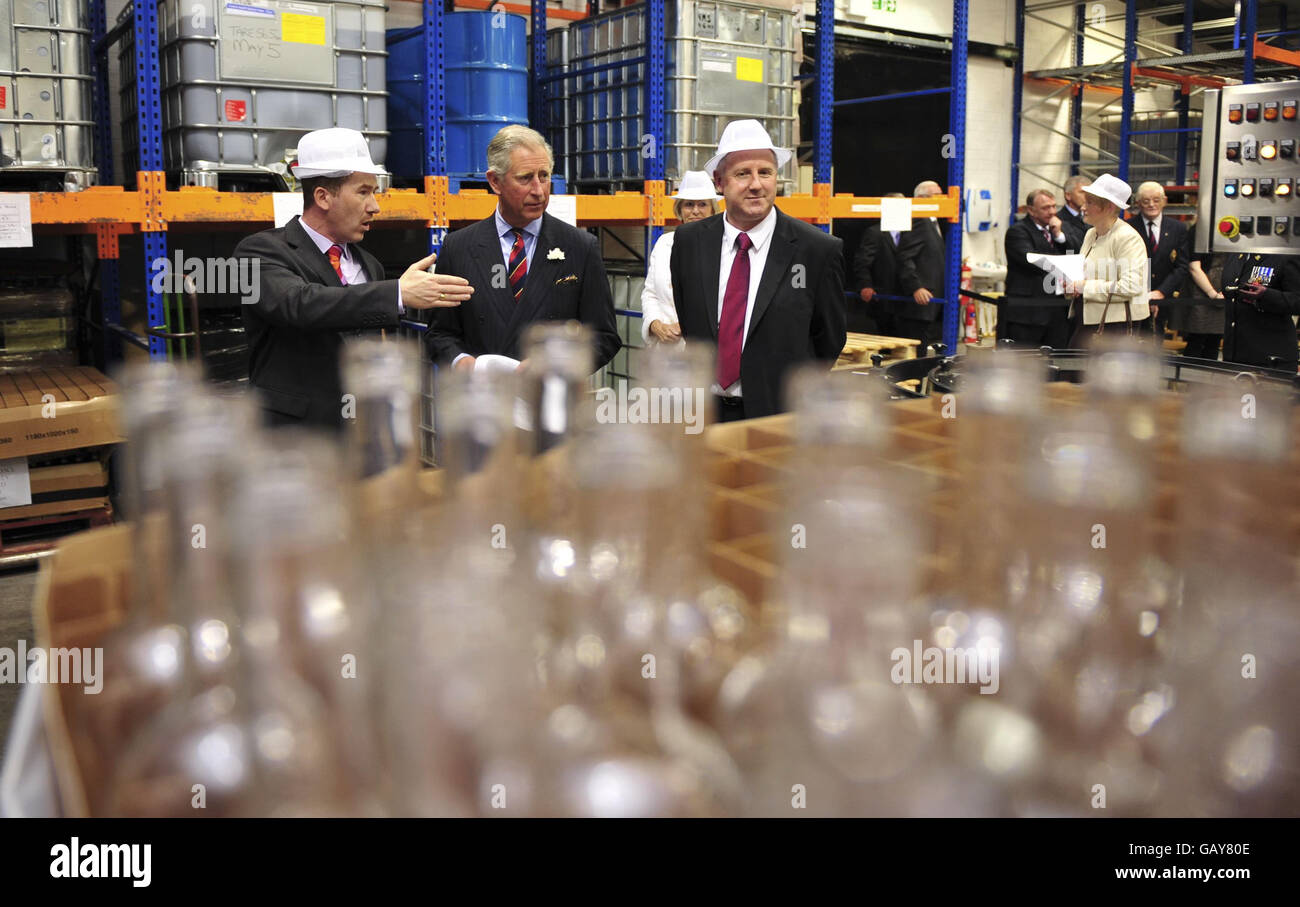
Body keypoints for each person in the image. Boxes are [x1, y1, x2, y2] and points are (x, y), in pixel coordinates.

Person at [236, 127, 471, 429]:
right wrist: (396, 293)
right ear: (322, 197)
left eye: (373, 192)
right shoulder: (259, 252)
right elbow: (299, 304)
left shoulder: (369, 266)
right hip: (293, 440)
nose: (375, 206)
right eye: (363, 192)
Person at [669, 119, 846, 422]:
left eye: (765, 172)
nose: (756, 184)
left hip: (777, 419)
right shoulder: (689, 243)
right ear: (718, 181)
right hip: (701, 414)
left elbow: (828, 340)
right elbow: (692, 324)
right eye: (742, 174)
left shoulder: (816, 250)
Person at [425, 125, 620, 372]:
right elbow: (440, 333)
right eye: (525, 178)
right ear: (495, 182)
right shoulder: (459, 248)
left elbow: (604, 337)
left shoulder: (579, 247)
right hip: (484, 399)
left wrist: (556, 364)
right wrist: (461, 362)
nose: (538, 190)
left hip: (549, 400)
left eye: (544, 176)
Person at [1063, 173, 1150, 343]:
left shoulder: (1127, 237)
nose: (1083, 207)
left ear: (1109, 207)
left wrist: (1085, 287)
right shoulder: (1091, 233)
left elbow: (1130, 286)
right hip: (1088, 320)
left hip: (1114, 327)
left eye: (1090, 202)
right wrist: (1072, 284)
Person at [641, 171, 721, 347]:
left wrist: (688, 325)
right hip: (665, 351)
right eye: (689, 204)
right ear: (679, 209)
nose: (695, 211)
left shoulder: (724, 246)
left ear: (713, 209)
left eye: (702, 204)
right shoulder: (664, 244)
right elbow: (650, 293)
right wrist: (655, 324)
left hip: (703, 350)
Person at [1002, 188, 1074, 348]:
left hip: (1056, 311)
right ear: (1031, 211)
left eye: (1054, 206)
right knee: (1025, 362)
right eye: (1045, 208)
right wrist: (1064, 265)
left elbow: (1074, 252)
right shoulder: (1018, 231)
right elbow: (1031, 259)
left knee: (1056, 361)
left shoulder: (1060, 231)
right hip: (1028, 314)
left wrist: (1059, 236)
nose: (1052, 212)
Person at [896, 180, 949, 356]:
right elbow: (905, 256)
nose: (943, 200)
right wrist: (916, 286)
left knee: (925, 349)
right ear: (920, 199)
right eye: (937, 196)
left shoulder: (934, 222)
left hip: (932, 299)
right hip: (920, 301)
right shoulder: (919, 219)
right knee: (916, 351)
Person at [1221, 253, 1300, 371]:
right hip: (1235, 352)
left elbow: (1297, 300)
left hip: (1270, 356)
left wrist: (1266, 295)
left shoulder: (1285, 255)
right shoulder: (1235, 254)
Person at [1134, 181, 1190, 336]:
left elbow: (1182, 266)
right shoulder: (1128, 227)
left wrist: (1161, 292)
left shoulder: (1178, 228)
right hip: (1134, 298)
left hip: (1164, 297)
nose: (1151, 204)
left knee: (1154, 346)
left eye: (1156, 200)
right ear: (1138, 203)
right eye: (1146, 201)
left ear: (1164, 201)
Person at [851, 192, 905, 336]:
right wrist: (865, 285)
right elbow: (862, 261)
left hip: (906, 299)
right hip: (882, 297)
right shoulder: (875, 233)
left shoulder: (911, 233)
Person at [1181, 252, 1225, 360]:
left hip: (1224, 288)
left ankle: (1209, 376)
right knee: (1196, 338)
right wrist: (1212, 293)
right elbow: (1194, 268)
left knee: (1215, 341)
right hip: (1201, 289)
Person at [1057, 175, 1089, 249]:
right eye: (1082, 192)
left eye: (1089, 193)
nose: (1087, 196)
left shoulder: (1094, 218)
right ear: (1068, 195)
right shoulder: (1058, 220)